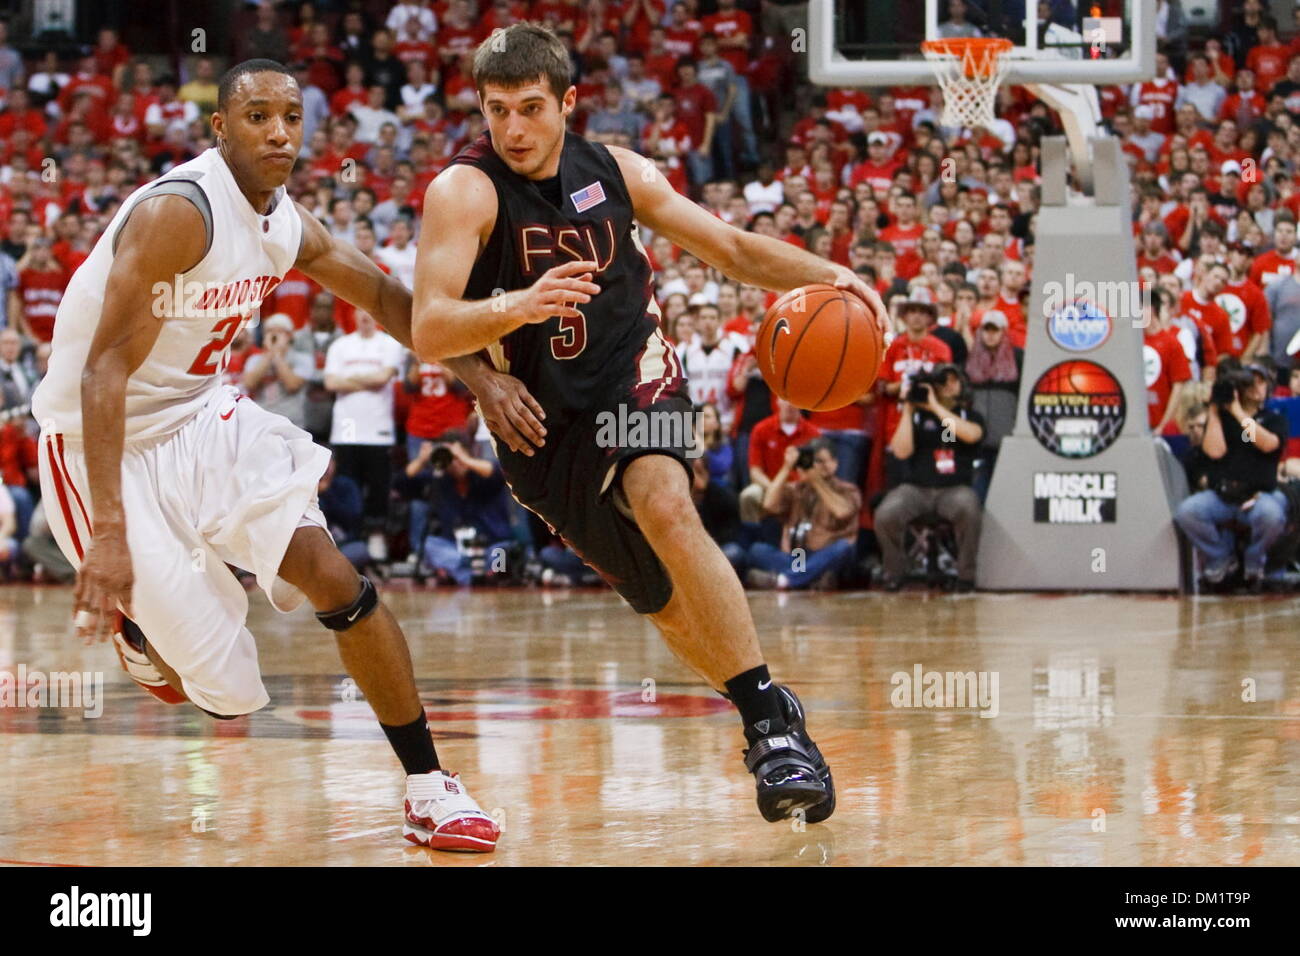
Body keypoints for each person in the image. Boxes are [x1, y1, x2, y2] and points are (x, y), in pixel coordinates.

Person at [411, 24, 887, 824]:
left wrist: (833, 273)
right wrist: (513, 313)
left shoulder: (621, 173)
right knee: (661, 600)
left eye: (531, 109)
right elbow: (428, 325)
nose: (514, 130)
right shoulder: (464, 191)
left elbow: (730, 248)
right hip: (542, 426)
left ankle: (770, 733)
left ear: (568, 102)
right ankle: (764, 707)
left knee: (665, 500)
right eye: (497, 111)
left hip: (638, 374)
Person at [29, 60, 500, 852]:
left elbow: (387, 296)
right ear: (219, 128)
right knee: (222, 696)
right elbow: (102, 370)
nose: (279, 131)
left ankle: (429, 786)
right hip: (96, 441)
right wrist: (107, 533)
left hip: (200, 418)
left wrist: (477, 376)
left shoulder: (285, 223)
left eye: (291, 116)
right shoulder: (182, 212)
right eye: (256, 116)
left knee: (337, 581)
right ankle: (143, 633)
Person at [1174, 362, 1288, 589]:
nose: (1255, 387)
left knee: (1272, 514)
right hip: (1223, 495)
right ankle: (1221, 557)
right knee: (1187, 511)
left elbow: (1267, 444)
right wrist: (1215, 411)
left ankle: (1254, 559)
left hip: (1260, 494)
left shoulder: (1274, 418)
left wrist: (1237, 410)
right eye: (1249, 382)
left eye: (1260, 381)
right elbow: (1215, 452)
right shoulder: (1222, 420)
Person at [874, 364, 986, 592]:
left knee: (969, 509)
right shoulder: (916, 417)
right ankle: (895, 572)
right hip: (916, 488)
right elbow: (900, 451)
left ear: (961, 385)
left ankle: (966, 575)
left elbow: (972, 435)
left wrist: (935, 406)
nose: (948, 385)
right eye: (943, 381)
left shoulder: (969, 415)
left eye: (953, 380)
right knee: (886, 513)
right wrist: (907, 410)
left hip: (954, 488)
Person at [745, 438, 860, 590]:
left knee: (844, 548)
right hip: (799, 556)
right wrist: (786, 468)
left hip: (828, 555)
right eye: (812, 461)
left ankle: (785, 580)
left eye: (820, 461)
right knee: (757, 550)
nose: (814, 466)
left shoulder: (847, 489)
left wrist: (816, 481)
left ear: (834, 463)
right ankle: (810, 579)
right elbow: (769, 504)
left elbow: (842, 512)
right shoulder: (797, 489)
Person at [242, 313, 314, 429]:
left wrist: (278, 356)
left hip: (291, 424)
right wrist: (269, 354)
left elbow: (292, 385)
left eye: (280, 332)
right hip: (261, 423)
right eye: (270, 331)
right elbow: (249, 384)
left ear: (290, 335)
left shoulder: (303, 359)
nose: (274, 335)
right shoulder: (255, 359)